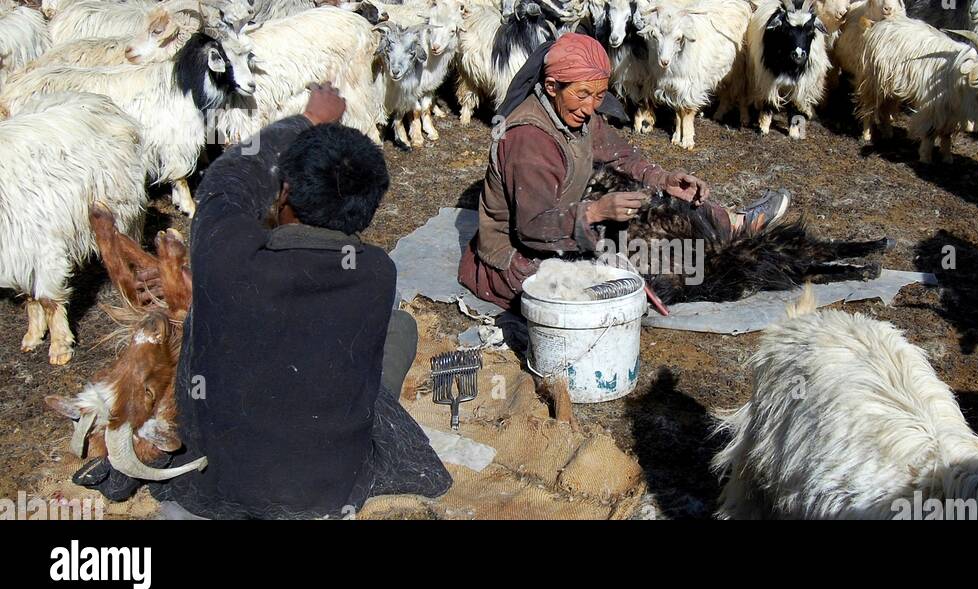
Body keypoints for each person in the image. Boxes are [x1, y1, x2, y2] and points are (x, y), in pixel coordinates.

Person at [91, 84, 452, 519]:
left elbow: (227, 180)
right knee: (400, 328)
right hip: (328, 490)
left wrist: (309, 119)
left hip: (222, 483)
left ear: (283, 194)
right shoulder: (375, 273)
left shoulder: (224, 254)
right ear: (367, 211)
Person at [459, 33, 790, 311]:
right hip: (519, 258)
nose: (591, 107)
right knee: (646, 275)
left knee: (666, 218)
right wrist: (596, 211)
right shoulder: (529, 140)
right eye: (583, 94)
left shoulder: (578, 114)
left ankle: (733, 221)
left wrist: (664, 179)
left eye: (599, 95)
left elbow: (621, 154)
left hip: (561, 227)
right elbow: (533, 228)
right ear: (550, 86)